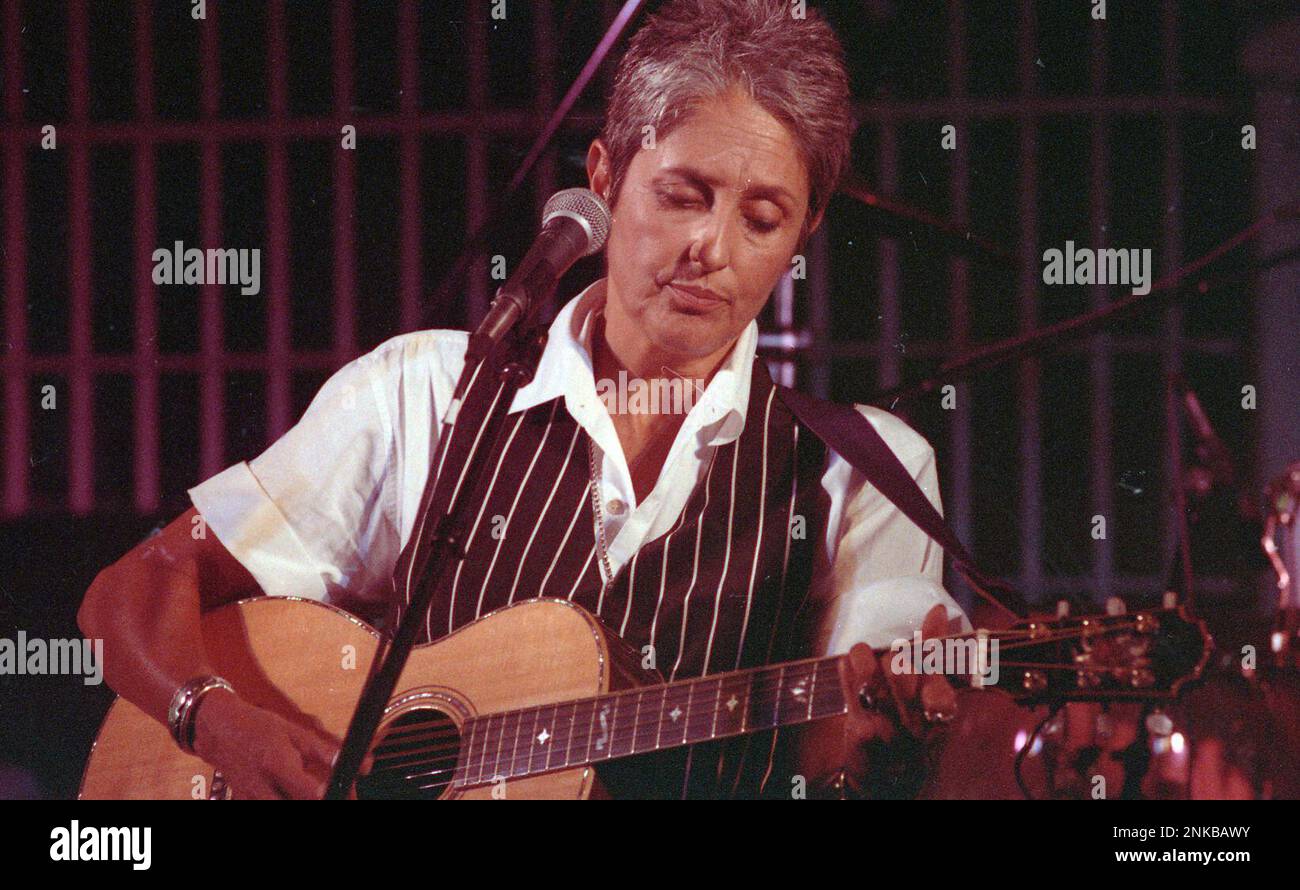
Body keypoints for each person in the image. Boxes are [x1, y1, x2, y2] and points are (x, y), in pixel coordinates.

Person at [78, 0, 967, 799]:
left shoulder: (865, 476)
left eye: (762, 218)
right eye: (683, 195)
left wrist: (889, 742)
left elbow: (844, 761)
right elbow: (138, 588)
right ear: (605, 176)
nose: (711, 246)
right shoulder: (420, 394)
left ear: (805, 231)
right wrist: (219, 719)